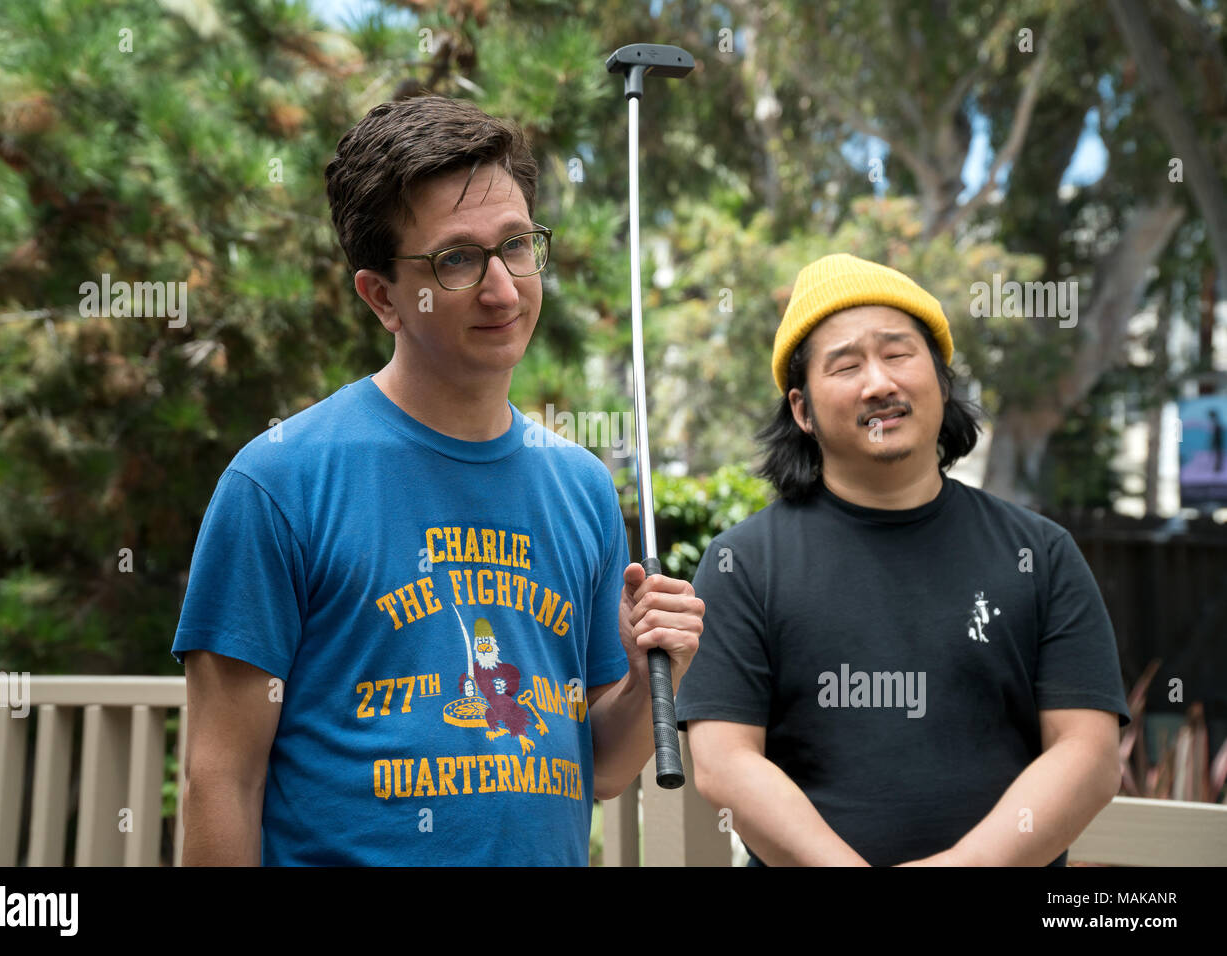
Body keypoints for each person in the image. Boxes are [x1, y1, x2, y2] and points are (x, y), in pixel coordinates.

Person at [172, 95, 704, 866]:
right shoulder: (279, 481)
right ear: (381, 296)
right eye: (457, 259)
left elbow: (601, 771)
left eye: (517, 245)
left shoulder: (582, 486)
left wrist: (661, 672)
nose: (503, 289)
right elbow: (220, 779)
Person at [674, 253, 1130, 867]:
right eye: (846, 365)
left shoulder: (1040, 554)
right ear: (803, 410)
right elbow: (725, 762)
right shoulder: (742, 565)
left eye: (898, 353)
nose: (879, 382)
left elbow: (1089, 753)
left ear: (941, 381)